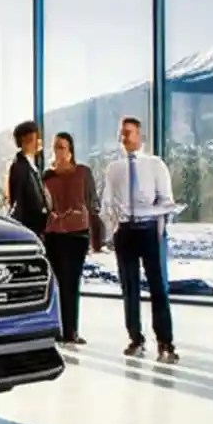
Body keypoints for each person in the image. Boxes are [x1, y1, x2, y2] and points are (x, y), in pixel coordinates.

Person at [101, 116, 179, 363]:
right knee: (129, 288)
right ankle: (135, 338)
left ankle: (165, 342)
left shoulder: (155, 165)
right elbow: (107, 202)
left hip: (149, 230)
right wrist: (112, 228)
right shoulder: (114, 168)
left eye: (129, 132)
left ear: (140, 135)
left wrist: (159, 224)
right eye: (121, 133)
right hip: (125, 231)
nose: (124, 137)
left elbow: (166, 200)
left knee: (159, 287)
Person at [42, 132, 101, 346]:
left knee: (72, 283)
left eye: (64, 147)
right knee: (56, 284)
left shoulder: (83, 173)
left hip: (77, 234)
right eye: (56, 146)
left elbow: (93, 203)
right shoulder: (46, 177)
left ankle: (72, 331)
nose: (60, 151)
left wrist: (96, 236)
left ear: (71, 150)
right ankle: (56, 329)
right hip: (53, 235)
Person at [6, 120, 49, 237]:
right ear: (26, 140)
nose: (38, 142)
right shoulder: (19, 167)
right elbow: (17, 200)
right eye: (35, 138)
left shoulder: (32, 165)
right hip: (30, 228)